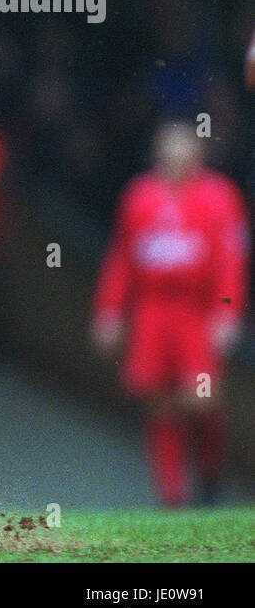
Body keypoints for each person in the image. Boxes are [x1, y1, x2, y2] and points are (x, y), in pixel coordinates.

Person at [91, 120, 248, 507]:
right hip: (152, 311)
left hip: (195, 311)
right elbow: (122, 258)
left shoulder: (220, 197)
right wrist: (109, 310)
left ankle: (210, 474)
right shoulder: (139, 196)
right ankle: (173, 497)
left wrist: (227, 313)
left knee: (203, 398)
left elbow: (232, 261)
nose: (174, 164)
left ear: (196, 157)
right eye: (167, 156)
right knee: (157, 400)